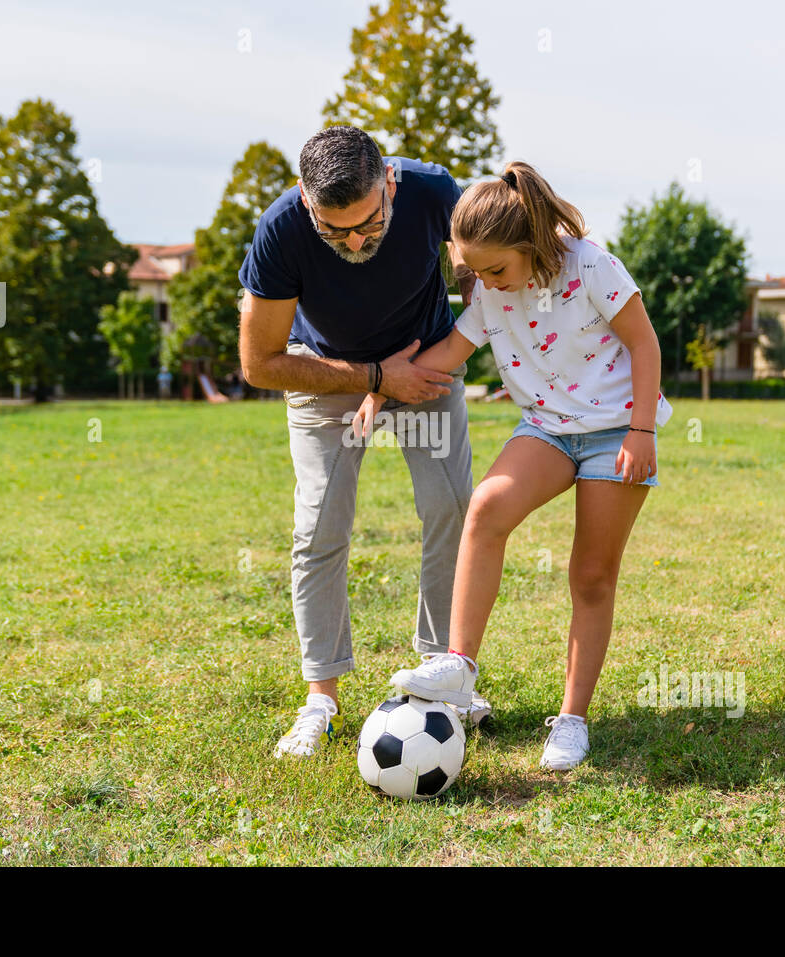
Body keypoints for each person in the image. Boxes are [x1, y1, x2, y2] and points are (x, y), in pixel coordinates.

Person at [353, 161, 673, 771]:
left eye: (496, 269)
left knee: (591, 575)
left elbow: (644, 342)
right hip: (547, 429)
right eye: (473, 273)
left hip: (616, 431)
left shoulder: (590, 265)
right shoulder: (490, 292)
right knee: (486, 507)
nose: (486, 285)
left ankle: (573, 719)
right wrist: (380, 386)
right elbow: (448, 353)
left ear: (530, 244)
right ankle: (458, 668)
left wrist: (641, 429)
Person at [238, 126, 493, 758]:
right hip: (325, 373)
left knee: (451, 511)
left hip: (426, 364)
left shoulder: (434, 192)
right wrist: (379, 378)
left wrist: (464, 310)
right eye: (335, 230)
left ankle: (442, 675)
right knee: (320, 525)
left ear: (390, 184)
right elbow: (260, 364)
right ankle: (320, 696)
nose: (354, 240)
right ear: (305, 199)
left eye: (369, 224)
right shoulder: (279, 231)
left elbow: (475, 263)